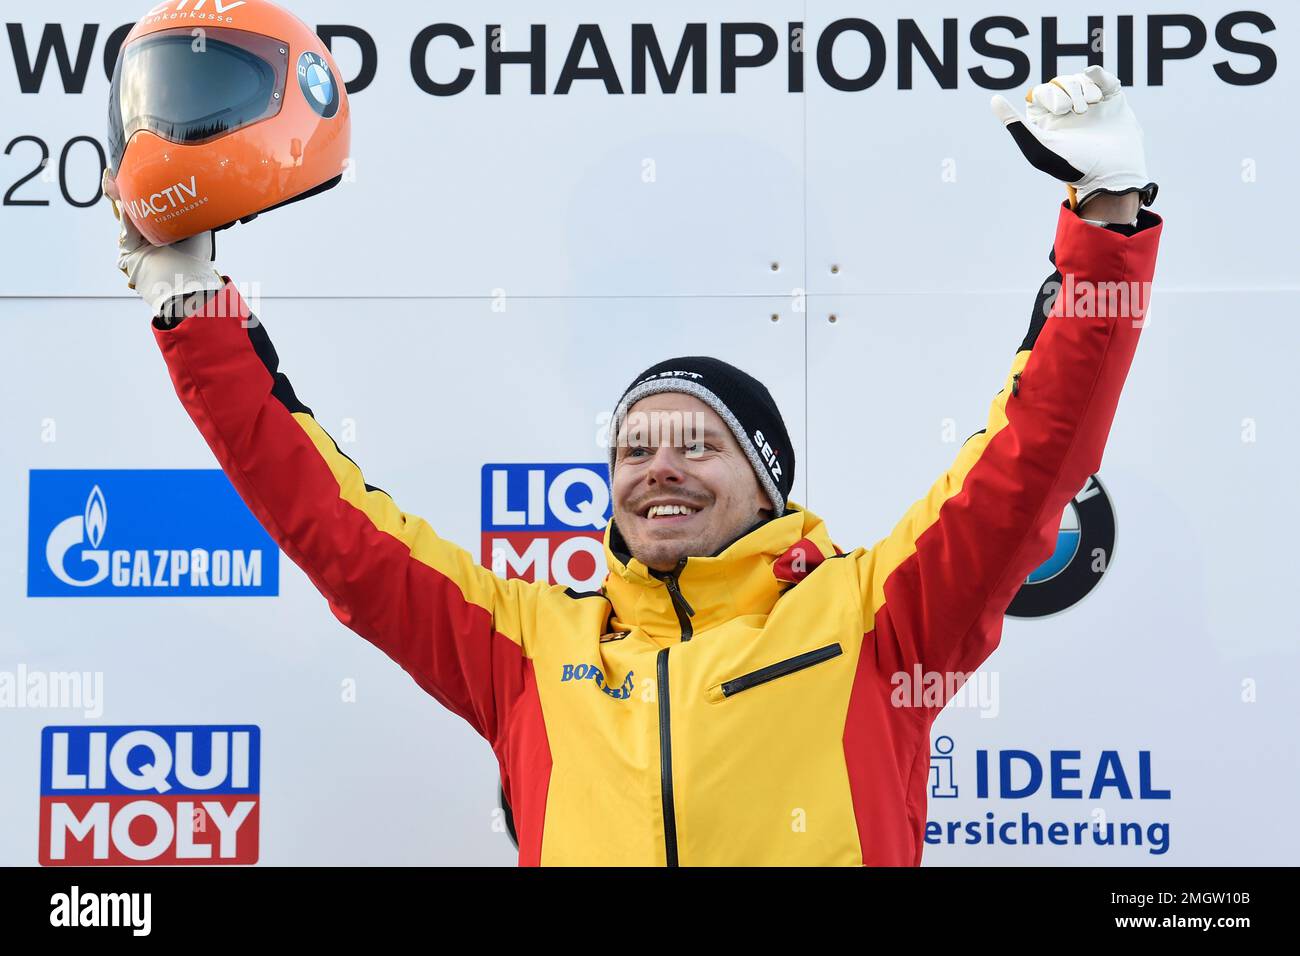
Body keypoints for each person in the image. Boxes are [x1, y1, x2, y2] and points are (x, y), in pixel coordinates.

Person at [104, 66, 1162, 866]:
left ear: (767, 485)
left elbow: (1032, 461)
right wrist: (189, 308)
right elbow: (332, 529)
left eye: (698, 442)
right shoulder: (525, 644)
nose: (660, 466)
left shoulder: (875, 617)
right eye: (634, 446)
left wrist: (1105, 216)